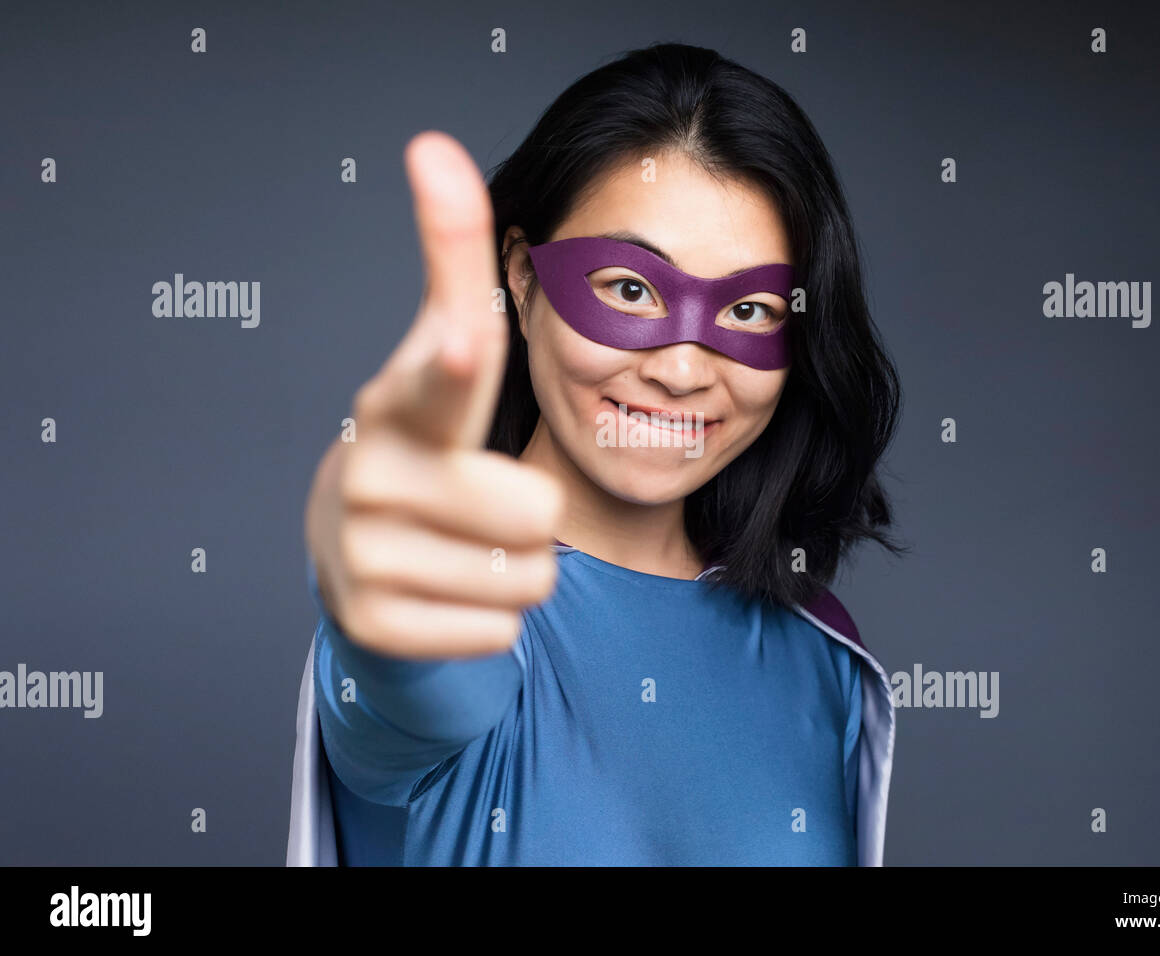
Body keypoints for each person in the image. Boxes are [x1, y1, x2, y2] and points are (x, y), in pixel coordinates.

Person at [288, 42, 907, 866]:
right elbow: (407, 681)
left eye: (751, 309)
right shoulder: (461, 607)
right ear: (523, 278)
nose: (683, 369)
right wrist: (377, 584)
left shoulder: (824, 655)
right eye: (629, 289)